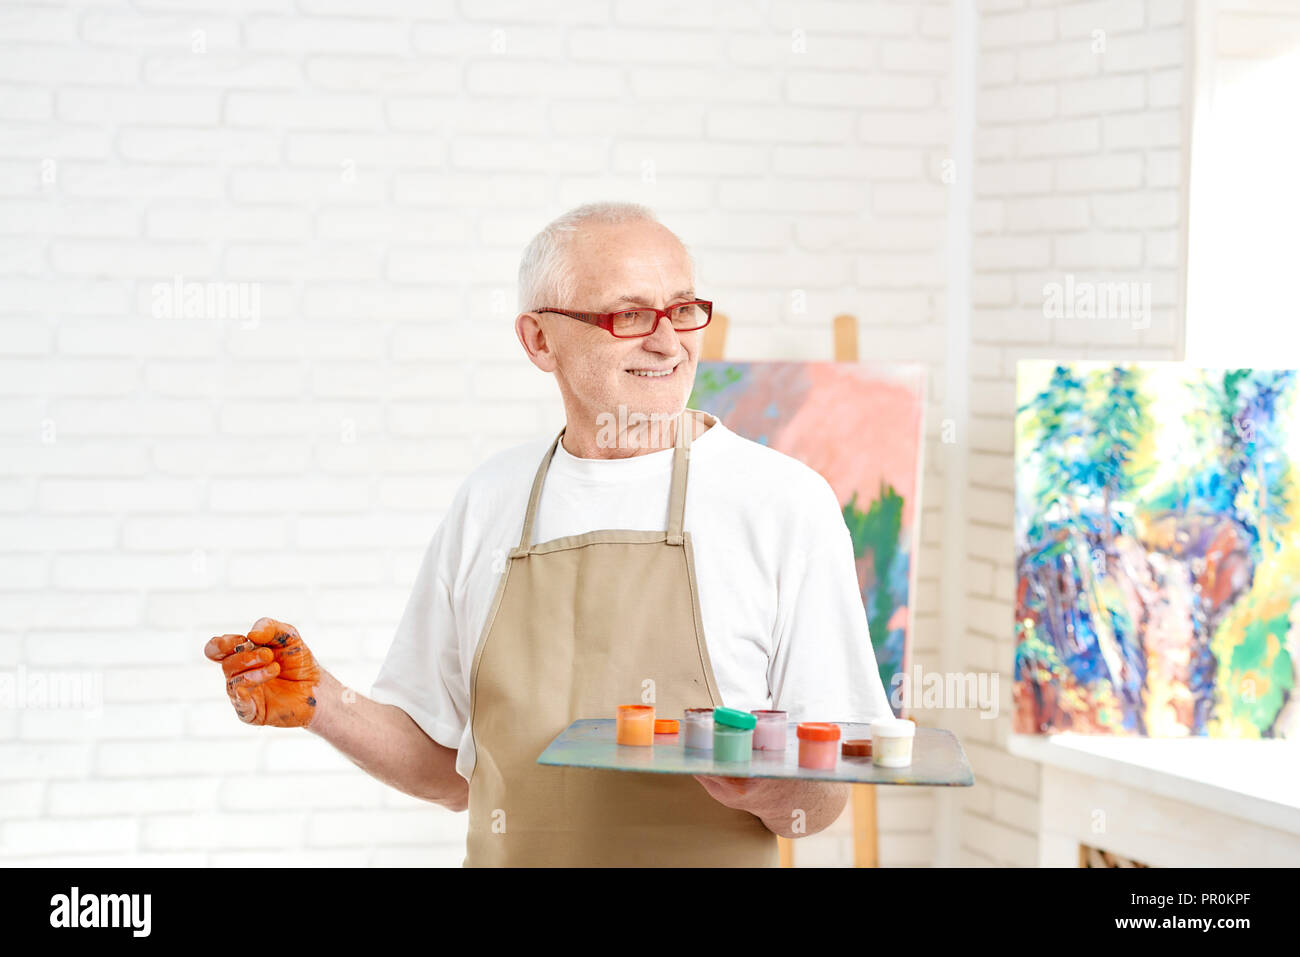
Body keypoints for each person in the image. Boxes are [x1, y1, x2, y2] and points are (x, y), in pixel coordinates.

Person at [204, 200, 894, 866]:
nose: (668, 341)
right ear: (539, 339)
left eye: (683, 309)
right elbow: (448, 770)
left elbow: (822, 798)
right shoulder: (489, 500)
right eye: (629, 314)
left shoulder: (782, 504)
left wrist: (761, 784)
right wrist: (322, 699)